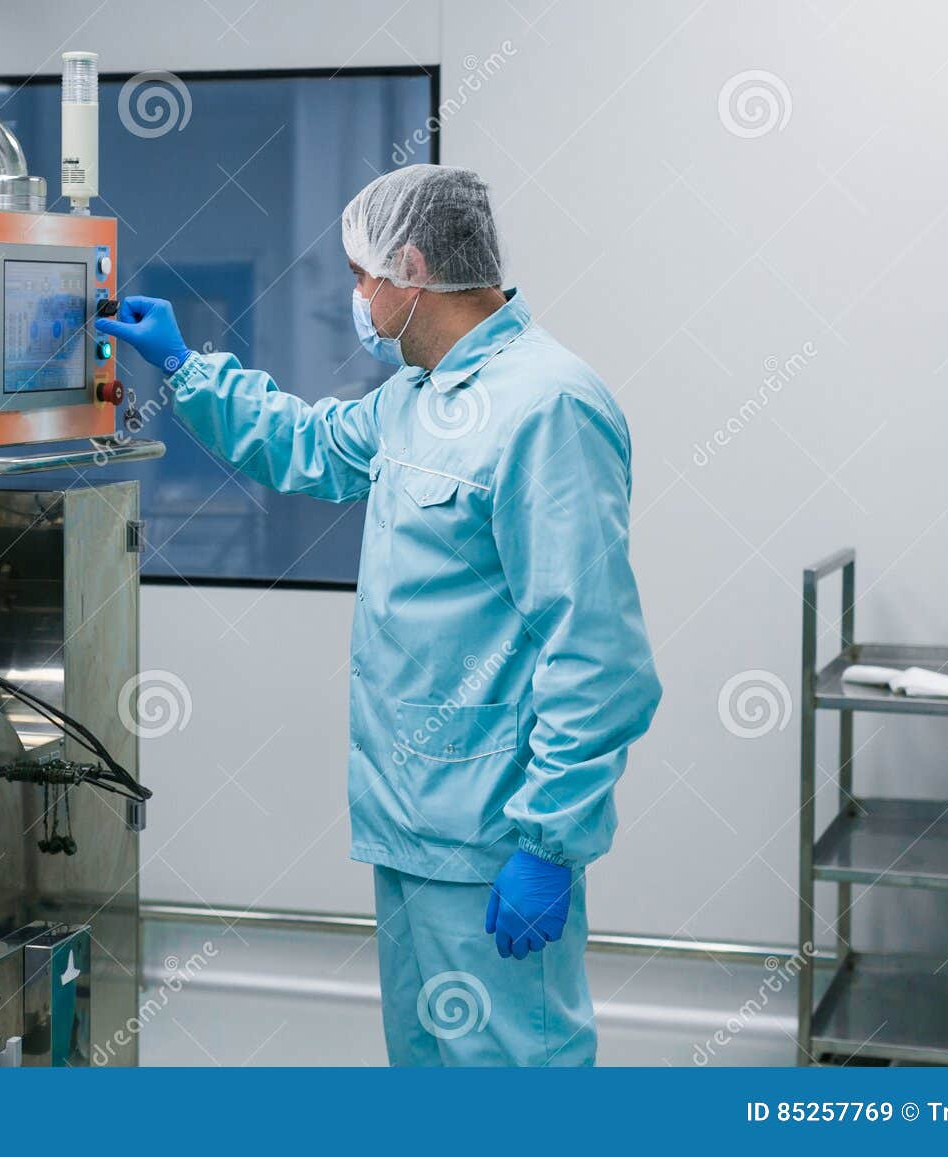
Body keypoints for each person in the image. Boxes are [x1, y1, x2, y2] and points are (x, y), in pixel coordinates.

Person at [96, 163, 661, 1067]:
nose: (355, 297)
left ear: (412, 267)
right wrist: (185, 368)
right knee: (428, 1066)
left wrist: (549, 841)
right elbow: (308, 444)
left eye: (362, 276)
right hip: (409, 826)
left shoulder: (545, 406)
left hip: (492, 838)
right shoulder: (417, 397)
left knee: (512, 1075)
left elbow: (596, 652)